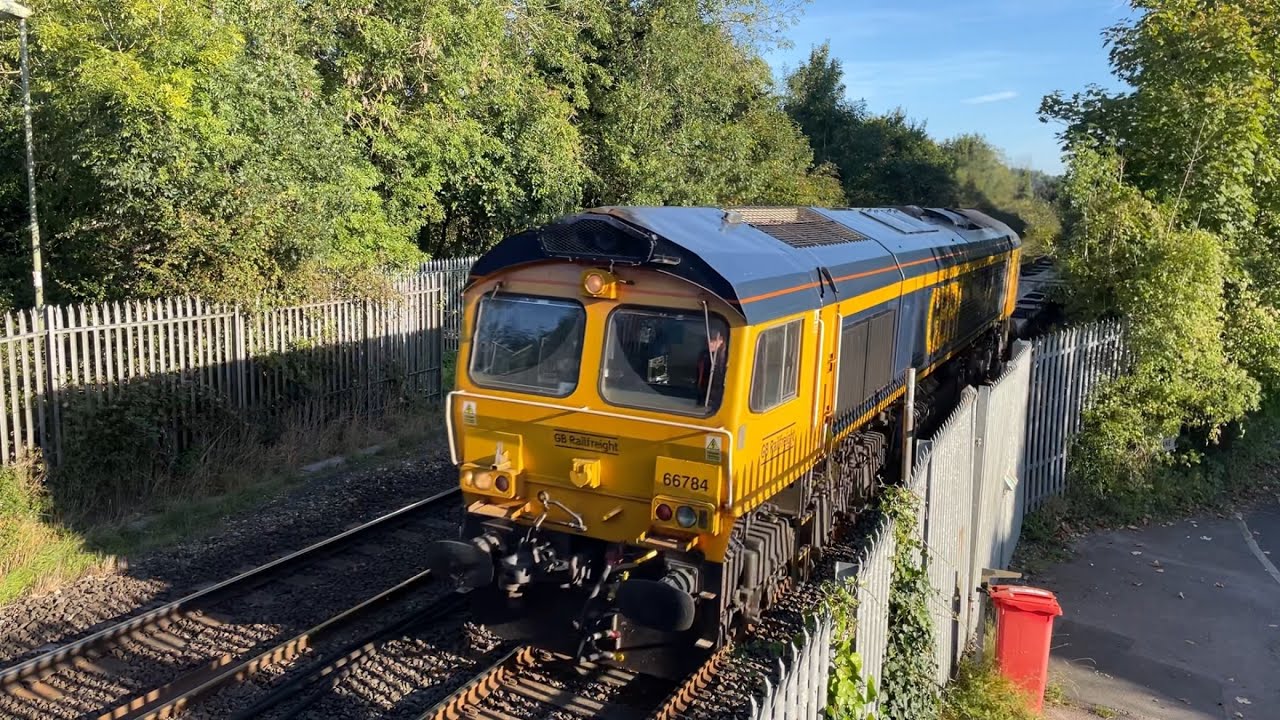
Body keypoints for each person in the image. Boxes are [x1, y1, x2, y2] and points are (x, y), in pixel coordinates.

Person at [696, 328, 728, 409]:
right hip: (703, 397)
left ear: (721, 340)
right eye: (708, 340)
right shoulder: (704, 356)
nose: (709, 343)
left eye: (713, 340)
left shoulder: (728, 358)